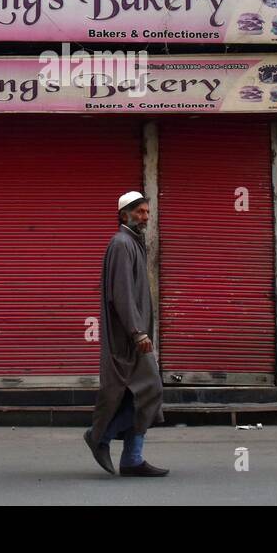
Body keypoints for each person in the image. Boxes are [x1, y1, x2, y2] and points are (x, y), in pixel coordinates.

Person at [84, 191, 168, 477]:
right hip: (128, 340)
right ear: (124, 215)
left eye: (147, 212)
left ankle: (132, 459)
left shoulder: (133, 242)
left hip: (135, 336)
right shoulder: (121, 243)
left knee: (137, 397)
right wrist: (137, 333)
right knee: (151, 391)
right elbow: (122, 294)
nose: (145, 217)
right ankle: (100, 436)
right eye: (140, 212)